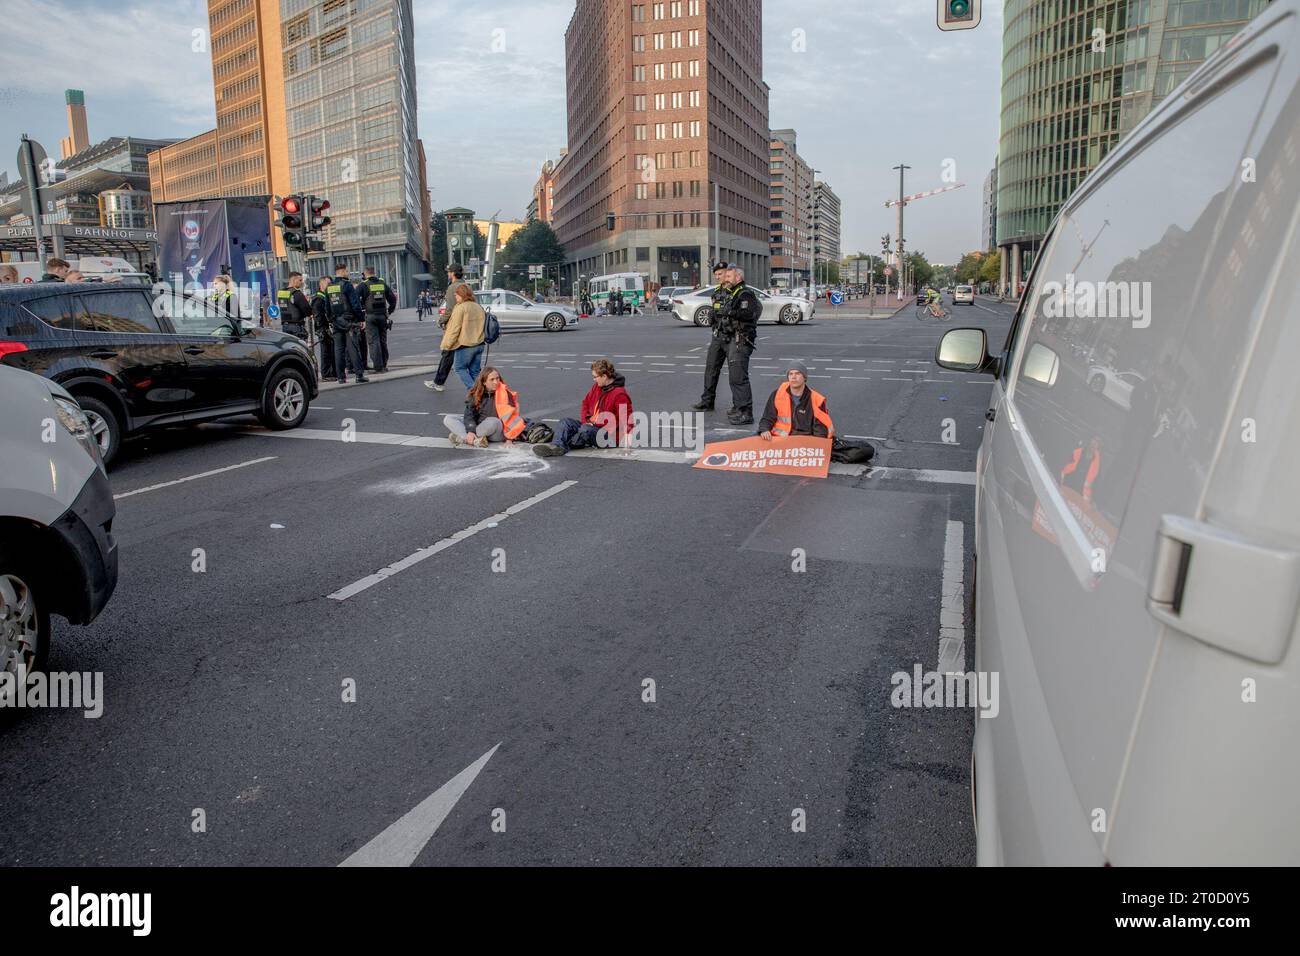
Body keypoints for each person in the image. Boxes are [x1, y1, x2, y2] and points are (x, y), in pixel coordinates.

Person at [758, 363, 875, 464]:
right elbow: (767, 418)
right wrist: (764, 430)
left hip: (807, 444)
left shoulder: (816, 399)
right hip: (783, 442)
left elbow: (821, 430)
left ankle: (830, 455)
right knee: (754, 442)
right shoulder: (777, 394)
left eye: (797, 374)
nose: (793, 377)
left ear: (804, 378)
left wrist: (812, 449)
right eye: (791, 374)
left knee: (865, 450)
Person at [692, 263, 760, 425]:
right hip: (721, 335)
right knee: (712, 368)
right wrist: (713, 317)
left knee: (738, 377)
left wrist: (729, 312)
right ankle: (726, 405)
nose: (724, 279)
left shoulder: (744, 293)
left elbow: (747, 314)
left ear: (738, 277)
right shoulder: (724, 292)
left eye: (728, 276)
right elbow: (719, 311)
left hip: (739, 338)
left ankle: (745, 412)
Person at [533, 359, 633, 457]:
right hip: (591, 426)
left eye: (595, 377)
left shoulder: (619, 394)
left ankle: (565, 445)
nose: (593, 379)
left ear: (604, 376)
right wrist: (586, 421)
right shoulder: (597, 387)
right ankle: (557, 446)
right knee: (565, 422)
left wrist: (627, 446)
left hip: (608, 436)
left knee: (586, 430)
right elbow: (585, 403)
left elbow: (627, 420)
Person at [444, 366, 527, 447]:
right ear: (484, 382)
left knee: (493, 421)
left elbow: (512, 418)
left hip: (497, 431)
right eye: (492, 379)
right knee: (449, 418)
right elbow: (469, 414)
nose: (496, 382)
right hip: (480, 426)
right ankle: (472, 439)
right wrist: (471, 430)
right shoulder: (476, 394)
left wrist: (509, 440)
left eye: (497, 378)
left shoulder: (505, 394)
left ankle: (463, 437)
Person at [425, 263, 470, 391]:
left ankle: (439, 382)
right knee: (464, 354)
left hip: (454, 325)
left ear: (453, 273)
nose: (448, 274)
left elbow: (450, 309)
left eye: (449, 272)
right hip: (466, 325)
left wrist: (441, 321)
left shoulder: (453, 288)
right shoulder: (466, 286)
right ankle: (439, 381)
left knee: (447, 353)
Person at [441, 282, 486, 389]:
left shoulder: (460, 308)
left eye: (456, 294)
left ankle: (474, 392)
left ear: (462, 295)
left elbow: (454, 329)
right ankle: (482, 395)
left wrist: (447, 345)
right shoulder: (478, 306)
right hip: (479, 344)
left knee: (459, 368)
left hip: (466, 345)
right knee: (475, 372)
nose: (455, 296)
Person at [327, 265, 367, 384]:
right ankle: (359, 375)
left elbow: (327, 306)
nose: (348, 273)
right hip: (349, 321)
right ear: (343, 272)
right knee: (353, 348)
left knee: (338, 350)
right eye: (347, 271)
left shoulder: (330, 286)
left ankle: (341, 377)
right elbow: (355, 304)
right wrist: (361, 319)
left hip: (336, 322)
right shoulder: (347, 285)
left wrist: (331, 319)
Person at [360, 266, 396, 373]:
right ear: (374, 273)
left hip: (370, 316)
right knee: (382, 341)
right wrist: (389, 312)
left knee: (373, 341)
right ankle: (384, 364)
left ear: (366, 274)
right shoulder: (382, 284)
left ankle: (378, 366)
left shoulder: (363, 285)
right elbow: (393, 299)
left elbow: (355, 300)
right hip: (382, 316)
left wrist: (360, 314)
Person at [312, 276, 336, 380]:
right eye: (328, 284)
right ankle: (326, 374)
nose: (330, 286)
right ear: (321, 285)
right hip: (323, 328)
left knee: (330, 351)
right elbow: (318, 315)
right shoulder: (318, 298)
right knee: (326, 352)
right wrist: (322, 329)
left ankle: (330, 372)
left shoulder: (325, 296)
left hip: (327, 328)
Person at [275, 271, 312, 339]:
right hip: (296, 326)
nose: (302, 282)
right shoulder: (297, 293)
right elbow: (307, 309)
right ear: (293, 280)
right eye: (300, 280)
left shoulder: (281, 293)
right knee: (299, 348)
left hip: (285, 326)